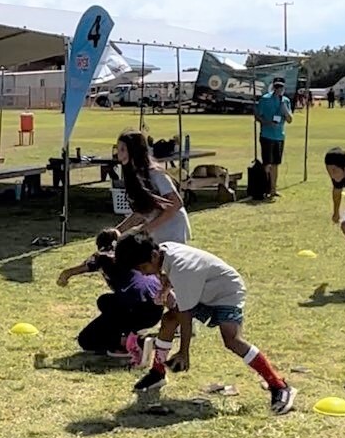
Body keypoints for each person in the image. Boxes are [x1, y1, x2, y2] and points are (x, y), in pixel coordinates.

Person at [114, 233, 296, 414]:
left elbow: (186, 317)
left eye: (144, 267)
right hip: (202, 290)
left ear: (153, 256)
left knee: (232, 339)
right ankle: (157, 372)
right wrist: (165, 286)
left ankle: (279, 385)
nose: (144, 273)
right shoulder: (163, 251)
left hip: (226, 292)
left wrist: (184, 352)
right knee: (169, 319)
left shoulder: (182, 268)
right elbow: (172, 279)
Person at [57, 228, 162, 356]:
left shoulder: (102, 257)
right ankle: (131, 337)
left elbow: (73, 270)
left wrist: (64, 275)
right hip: (155, 310)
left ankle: (126, 343)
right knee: (108, 302)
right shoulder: (137, 254)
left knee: (87, 339)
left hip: (134, 308)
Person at [114, 129, 191, 242]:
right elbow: (144, 211)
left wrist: (146, 229)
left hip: (173, 230)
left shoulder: (155, 173)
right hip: (157, 231)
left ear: (135, 150)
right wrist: (118, 230)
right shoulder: (135, 175)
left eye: (123, 149)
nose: (118, 154)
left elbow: (176, 204)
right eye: (118, 149)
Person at [254, 77, 293, 199]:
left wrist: (285, 110)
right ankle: (265, 188)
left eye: (281, 87)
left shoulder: (285, 101)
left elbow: (290, 119)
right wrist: (266, 122)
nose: (279, 89)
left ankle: (273, 189)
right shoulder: (265, 99)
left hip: (279, 137)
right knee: (267, 163)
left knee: (276, 164)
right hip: (266, 135)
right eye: (277, 87)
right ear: (273, 87)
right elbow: (257, 115)